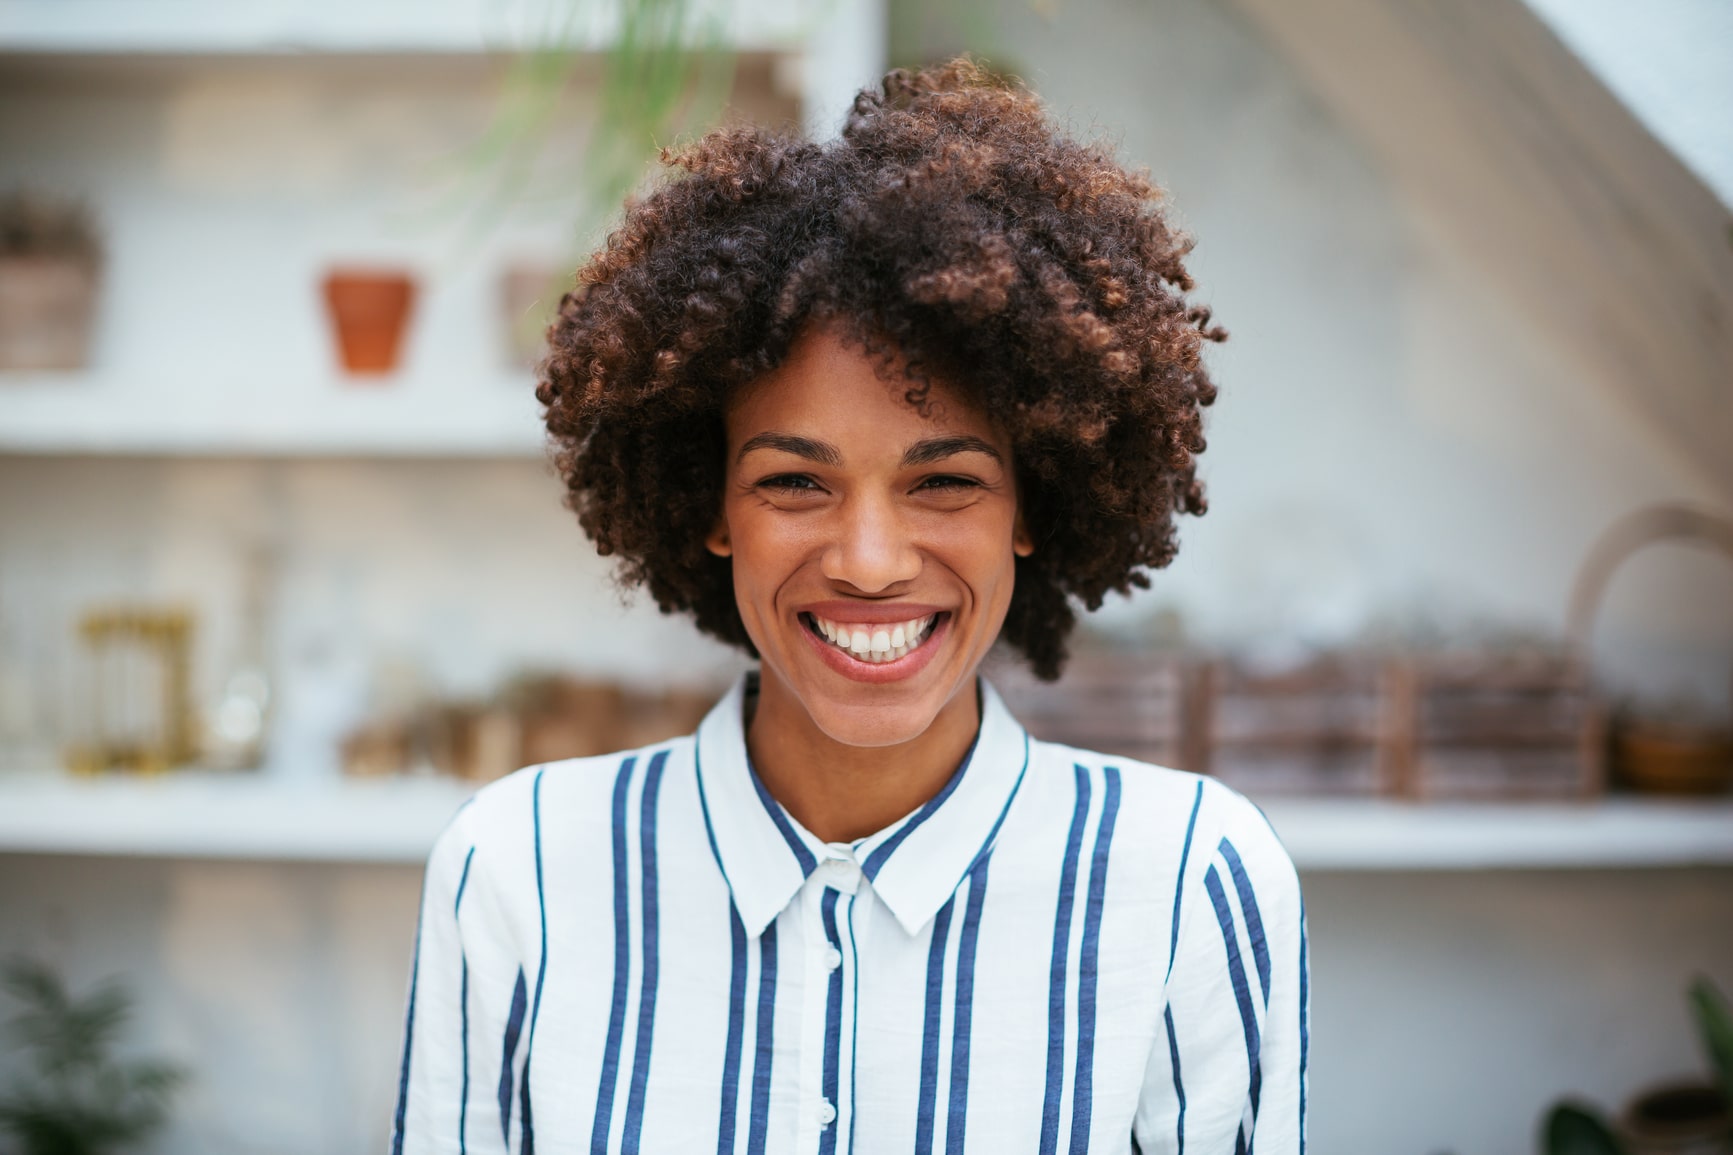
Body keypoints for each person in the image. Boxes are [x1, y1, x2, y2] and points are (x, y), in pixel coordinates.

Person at [391, 59, 1306, 1155]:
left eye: (943, 481)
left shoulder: (1188, 880)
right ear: (711, 502)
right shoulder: (517, 870)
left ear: (1032, 501)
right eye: (794, 481)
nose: (869, 563)